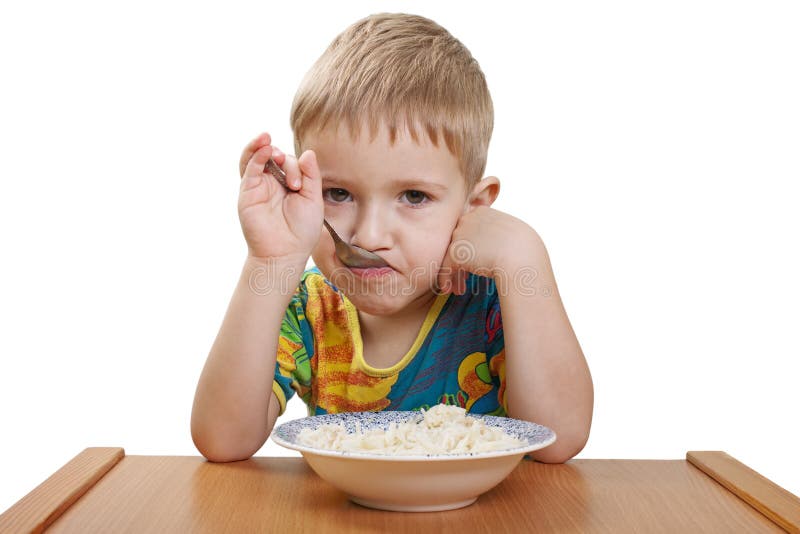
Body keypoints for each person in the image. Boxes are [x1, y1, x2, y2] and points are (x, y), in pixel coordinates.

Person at [191, 13, 593, 464]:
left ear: (474, 209)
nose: (371, 235)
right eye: (338, 193)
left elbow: (560, 440)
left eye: (414, 196)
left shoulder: (496, 304)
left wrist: (526, 258)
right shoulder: (307, 308)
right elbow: (222, 441)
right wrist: (270, 261)